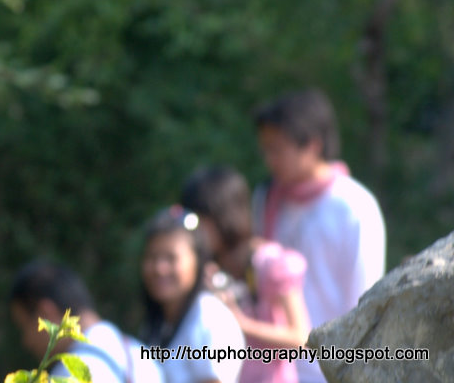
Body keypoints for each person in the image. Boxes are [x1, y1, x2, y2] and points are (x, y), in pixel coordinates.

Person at [252, 89, 386, 383]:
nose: (269, 160)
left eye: (277, 149)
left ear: (312, 145)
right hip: (274, 368)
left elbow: (364, 301)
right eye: (266, 149)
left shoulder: (353, 206)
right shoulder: (267, 198)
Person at [181, 165, 310, 383]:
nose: (192, 231)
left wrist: (242, 324)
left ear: (222, 217)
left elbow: (301, 337)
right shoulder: (207, 267)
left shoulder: (270, 263)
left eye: (198, 221)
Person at [10, 260, 164, 383]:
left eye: (24, 327)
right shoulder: (140, 354)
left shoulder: (68, 374)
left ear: (46, 312)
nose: (26, 342)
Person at [140, 206, 244, 383]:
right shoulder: (158, 323)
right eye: (152, 257)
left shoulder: (210, 317)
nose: (159, 268)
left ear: (198, 261)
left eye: (170, 258)